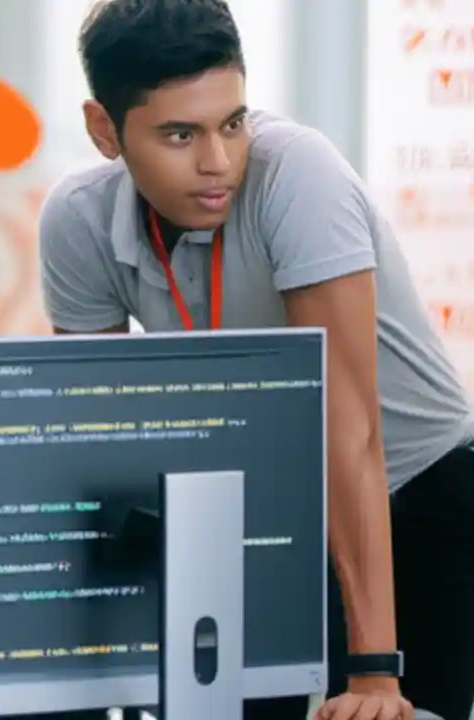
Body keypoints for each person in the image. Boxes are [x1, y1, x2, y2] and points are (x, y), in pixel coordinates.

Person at [38, 1, 474, 719]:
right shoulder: (77, 219)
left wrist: (373, 675)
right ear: (104, 131)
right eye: (180, 134)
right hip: (268, 502)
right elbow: (107, 438)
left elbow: (348, 429)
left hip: (412, 490)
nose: (218, 162)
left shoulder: (297, 172)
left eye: (232, 123)